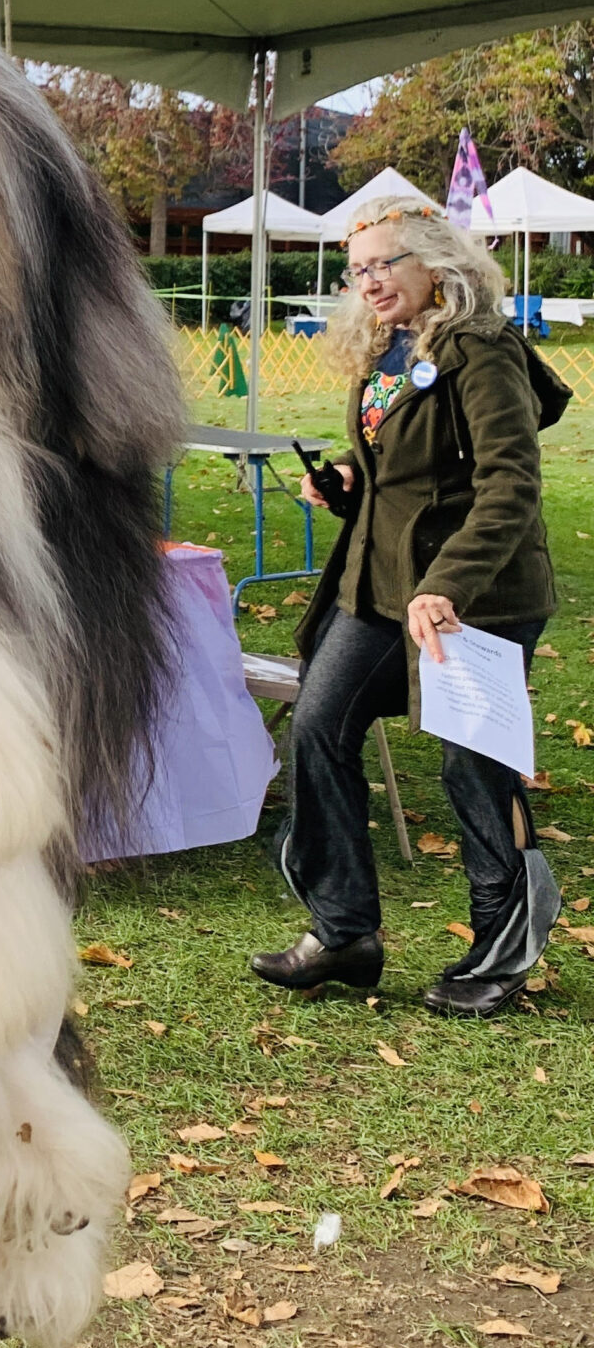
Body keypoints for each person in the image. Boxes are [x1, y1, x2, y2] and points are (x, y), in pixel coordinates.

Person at [251, 197, 563, 1018]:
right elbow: (405, 469)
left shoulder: (482, 348)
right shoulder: (385, 349)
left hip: (479, 596)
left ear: (437, 262)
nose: (369, 281)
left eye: (385, 263)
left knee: (474, 766)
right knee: (320, 727)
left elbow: (509, 488)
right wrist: (350, 484)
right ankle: (345, 930)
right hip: (380, 589)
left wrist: (447, 585)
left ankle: (500, 955)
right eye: (358, 270)